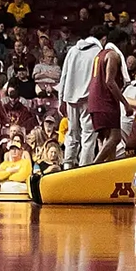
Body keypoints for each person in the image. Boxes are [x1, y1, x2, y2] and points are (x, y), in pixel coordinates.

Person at [57, 26, 104, 168]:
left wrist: (61, 100)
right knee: (88, 137)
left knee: (71, 135)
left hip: (70, 98)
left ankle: (67, 167)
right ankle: (84, 170)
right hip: (89, 99)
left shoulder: (73, 50)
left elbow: (63, 76)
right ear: (103, 39)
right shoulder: (99, 53)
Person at [86, 29, 131, 162]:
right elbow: (109, 81)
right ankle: (94, 166)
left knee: (107, 139)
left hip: (94, 99)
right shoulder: (112, 55)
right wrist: (125, 103)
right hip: (105, 100)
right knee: (115, 137)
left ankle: (108, 172)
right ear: (121, 43)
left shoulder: (100, 54)